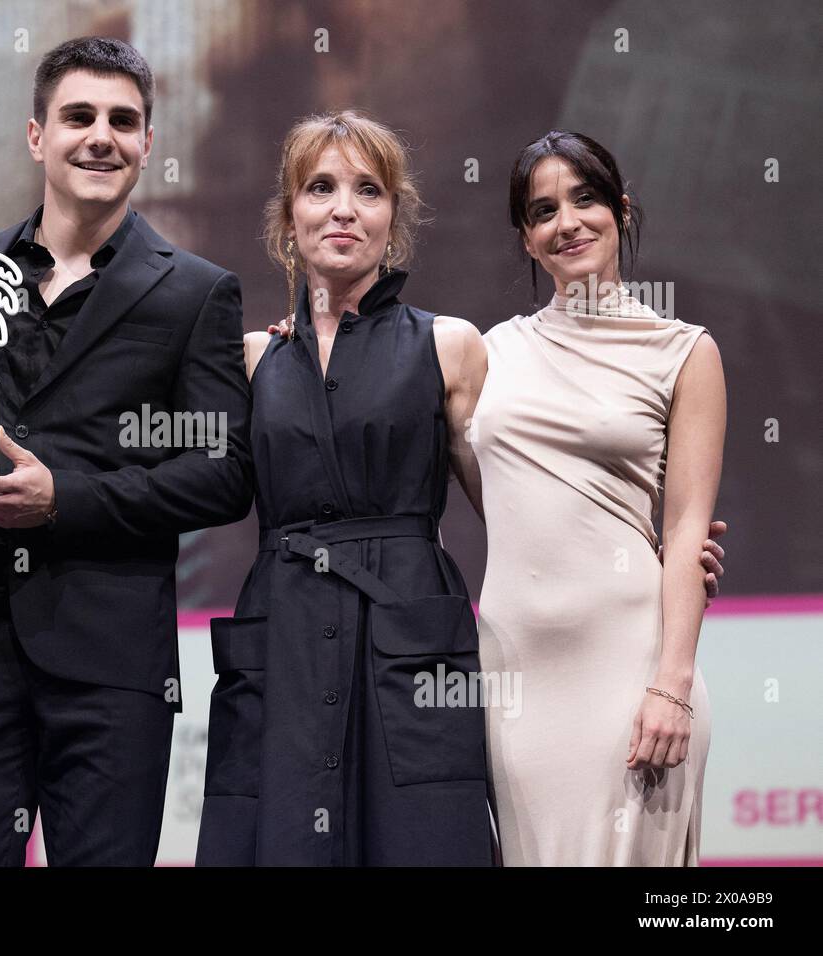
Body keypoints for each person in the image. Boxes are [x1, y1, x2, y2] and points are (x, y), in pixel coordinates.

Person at [0, 37, 253, 866]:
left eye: (123, 121)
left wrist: (63, 500)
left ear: (146, 145)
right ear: (37, 136)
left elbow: (222, 473)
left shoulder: (196, 291)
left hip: (111, 663)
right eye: (79, 117)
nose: (101, 136)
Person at [197, 110, 494, 865]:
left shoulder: (449, 344)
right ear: (288, 215)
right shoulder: (254, 358)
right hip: (286, 635)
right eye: (320, 187)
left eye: (368, 190)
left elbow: (511, 505)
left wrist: (635, 541)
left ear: (393, 216)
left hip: (408, 637)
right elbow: (187, 485)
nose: (342, 208)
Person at [473, 130, 724, 865]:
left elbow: (685, 532)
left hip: (634, 677)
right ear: (525, 238)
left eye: (586, 199)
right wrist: (311, 333)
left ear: (621, 209)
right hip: (516, 687)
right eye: (543, 210)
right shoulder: (487, 352)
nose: (567, 222)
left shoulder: (685, 352)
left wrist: (671, 688)